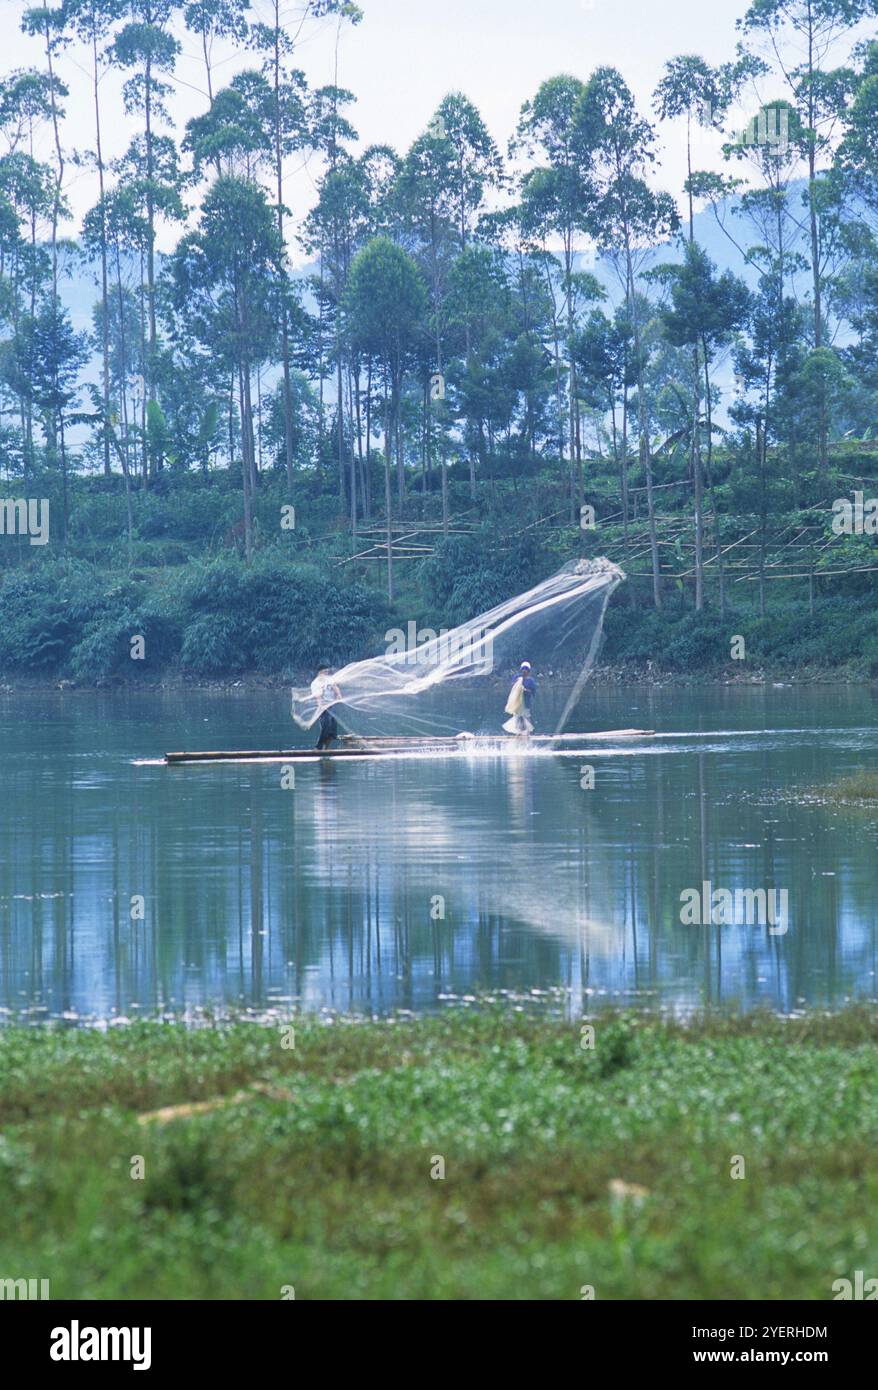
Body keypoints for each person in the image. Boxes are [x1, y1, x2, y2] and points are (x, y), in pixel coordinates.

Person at [311, 663, 342, 750]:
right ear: (320, 672)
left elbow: (335, 687)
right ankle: (318, 747)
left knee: (332, 730)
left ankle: (326, 748)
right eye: (325, 672)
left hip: (332, 706)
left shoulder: (329, 679)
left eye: (327, 672)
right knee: (326, 727)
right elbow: (318, 696)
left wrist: (338, 695)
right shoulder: (315, 683)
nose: (327, 673)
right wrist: (321, 706)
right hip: (324, 708)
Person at [503, 661, 537, 735]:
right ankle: (519, 735)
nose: (524, 671)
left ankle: (527, 735)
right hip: (517, 704)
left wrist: (525, 690)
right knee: (517, 720)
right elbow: (513, 687)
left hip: (526, 704)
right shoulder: (517, 678)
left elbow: (533, 692)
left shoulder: (531, 681)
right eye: (523, 669)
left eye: (526, 669)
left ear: (529, 671)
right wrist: (519, 686)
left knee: (526, 719)